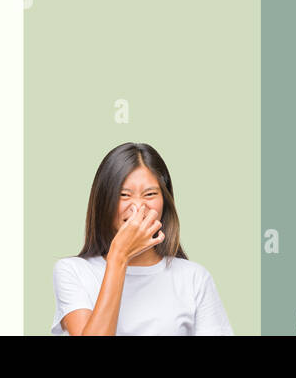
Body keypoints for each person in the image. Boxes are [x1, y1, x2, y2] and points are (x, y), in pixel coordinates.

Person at [52, 142, 232, 336]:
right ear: (104, 201)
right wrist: (119, 257)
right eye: (124, 195)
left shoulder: (194, 278)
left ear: (165, 201)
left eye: (150, 194)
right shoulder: (74, 272)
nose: (138, 207)